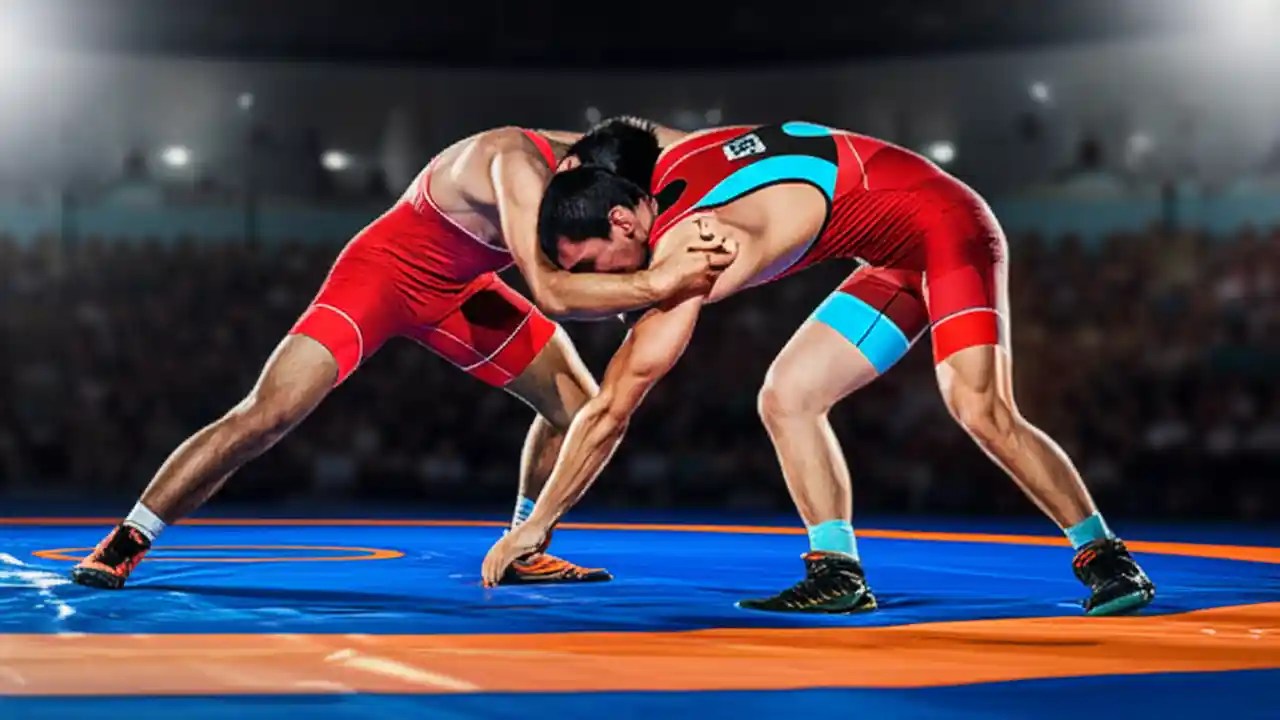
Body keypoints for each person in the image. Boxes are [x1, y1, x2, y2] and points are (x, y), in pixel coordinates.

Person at [481, 120, 1156, 617]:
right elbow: (630, 130)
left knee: (978, 407)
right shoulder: (679, 155)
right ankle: (837, 569)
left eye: (590, 268)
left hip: (949, 226)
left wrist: (536, 525)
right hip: (893, 245)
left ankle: (1105, 556)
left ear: (626, 221)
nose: (594, 287)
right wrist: (570, 168)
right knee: (789, 396)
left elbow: (615, 406)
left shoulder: (693, 247)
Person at [71, 122, 733, 590]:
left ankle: (527, 544)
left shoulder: (602, 167)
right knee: (267, 414)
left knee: (578, 408)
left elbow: (706, 150)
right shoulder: (514, 163)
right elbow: (554, 291)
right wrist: (656, 283)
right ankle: (129, 536)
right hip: (383, 275)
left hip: (463, 291)